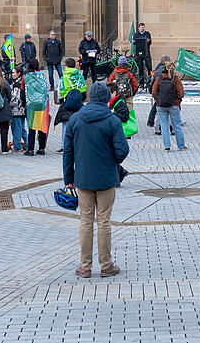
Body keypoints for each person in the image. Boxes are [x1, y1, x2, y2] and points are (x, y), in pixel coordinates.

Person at [62, 82, 129, 278]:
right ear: (107, 98)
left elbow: (68, 152)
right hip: (107, 178)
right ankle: (106, 265)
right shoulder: (112, 120)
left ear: (90, 98)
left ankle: (85, 266)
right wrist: (112, 161)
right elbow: (122, 150)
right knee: (104, 221)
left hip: (82, 178)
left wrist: (69, 178)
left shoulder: (75, 120)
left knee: (85, 222)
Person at [152, 60, 186, 151]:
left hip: (161, 105)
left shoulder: (159, 78)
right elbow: (181, 93)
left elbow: (154, 91)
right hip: (174, 105)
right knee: (177, 125)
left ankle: (167, 146)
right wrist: (177, 101)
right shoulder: (175, 79)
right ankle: (181, 146)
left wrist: (158, 101)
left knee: (163, 125)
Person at [23, 58, 51, 155]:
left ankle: (30, 149)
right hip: (42, 104)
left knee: (32, 126)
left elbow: (23, 91)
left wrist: (23, 103)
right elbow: (46, 89)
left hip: (31, 105)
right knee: (41, 125)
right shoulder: (42, 76)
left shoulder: (26, 77)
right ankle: (41, 148)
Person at [53, 89, 84, 153]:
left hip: (67, 110)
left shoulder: (64, 79)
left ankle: (64, 147)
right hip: (78, 108)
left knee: (65, 129)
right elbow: (85, 94)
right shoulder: (80, 79)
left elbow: (60, 94)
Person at [132, 23, 152, 87]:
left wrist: (146, 41)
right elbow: (134, 42)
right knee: (140, 68)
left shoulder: (147, 34)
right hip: (139, 54)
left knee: (149, 67)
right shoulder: (136, 34)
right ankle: (141, 83)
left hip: (146, 53)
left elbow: (149, 41)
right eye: (141, 27)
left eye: (143, 27)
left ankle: (149, 81)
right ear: (139, 28)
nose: (142, 28)